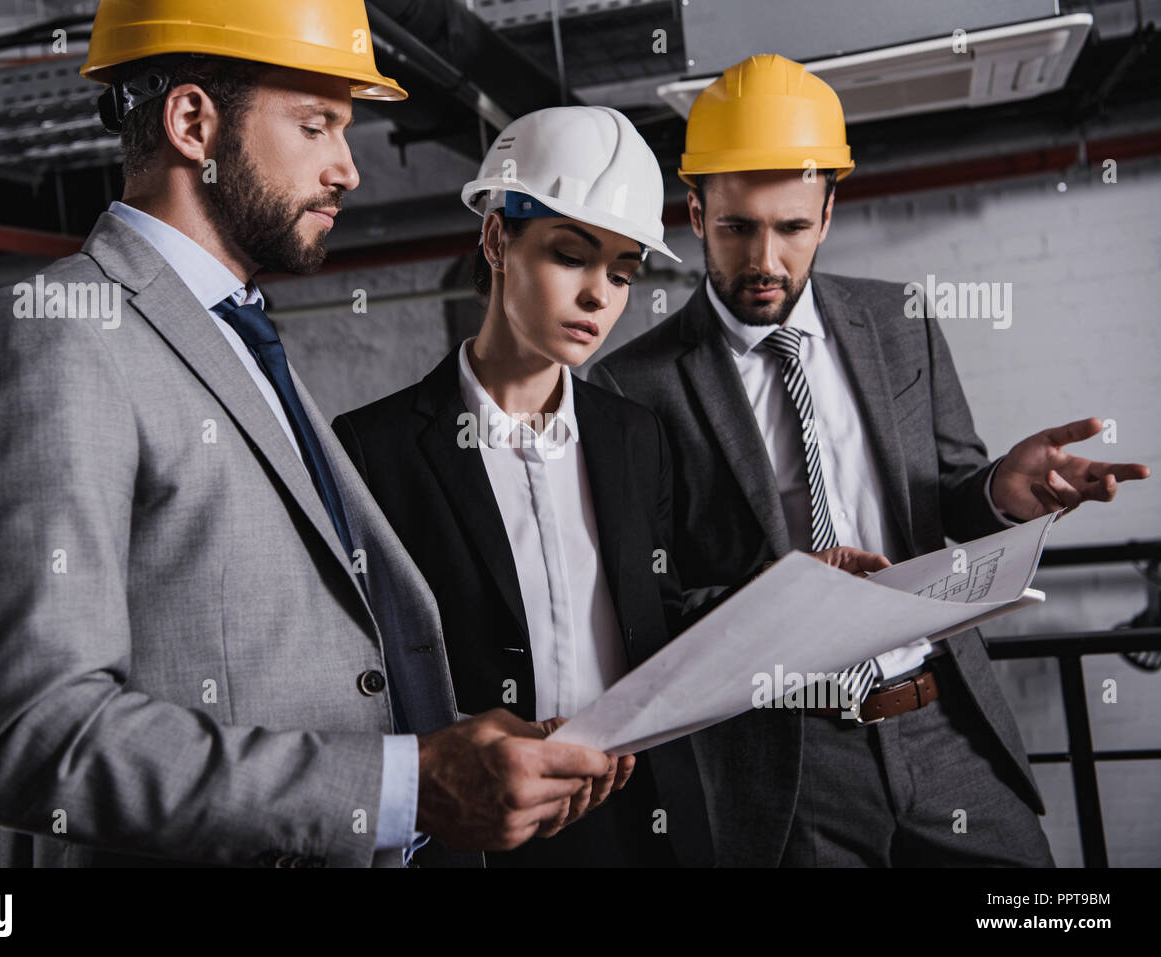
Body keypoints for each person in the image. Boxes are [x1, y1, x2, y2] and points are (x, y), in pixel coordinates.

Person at [0, 0, 616, 869]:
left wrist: (451, 752)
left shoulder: (238, 340)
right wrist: (400, 786)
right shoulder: (51, 336)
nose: (349, 170)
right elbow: (31, 736)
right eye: (317, 126)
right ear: (193, 123)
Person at [589, 54, 1152, 867]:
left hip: (943, 723)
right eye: (737, 228)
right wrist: (793, 597)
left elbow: (944, 503)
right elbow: (653, 602)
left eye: (791, 228)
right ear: (695, 209)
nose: (765, 262)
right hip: (787, 763)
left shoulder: (901, 322)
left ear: (828, 211)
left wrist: (999, 493)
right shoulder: (631, 384)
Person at [332, 105, 887, 866]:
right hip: (480, 825)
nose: (601, 296)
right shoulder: (373, 448)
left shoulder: (633, 436)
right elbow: (363, 671)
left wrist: (786, 592)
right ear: (497, 239)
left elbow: (658, 619)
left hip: (635, 813)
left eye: (622, 272)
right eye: (571, 256)